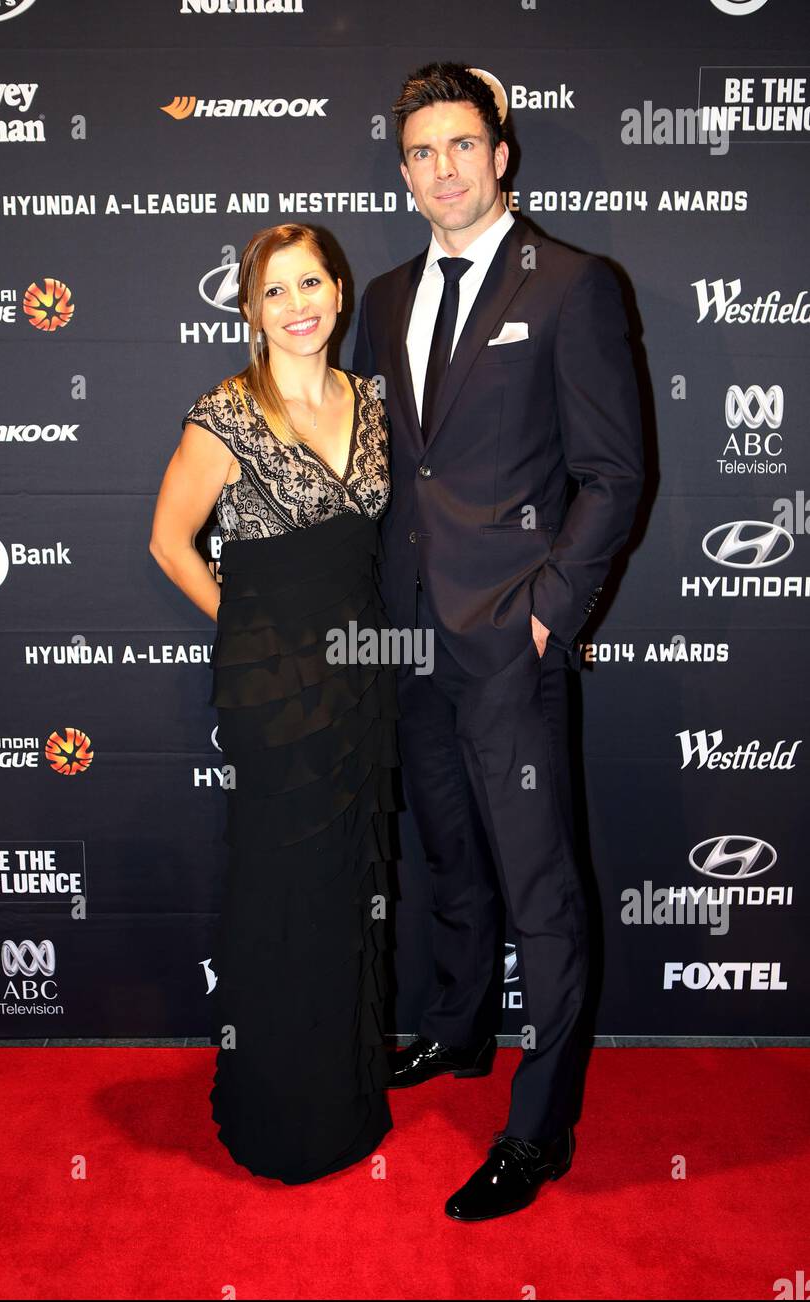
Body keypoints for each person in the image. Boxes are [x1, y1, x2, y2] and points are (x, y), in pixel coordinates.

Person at [353, 62, 645, 1220]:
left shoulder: (572, 283)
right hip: (409, 635)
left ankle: (539, 1128)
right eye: (421, 152)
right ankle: (457, 1032)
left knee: (539, 887)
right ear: (405, 168)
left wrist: (548, 610)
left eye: (461, 146)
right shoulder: (380, 297)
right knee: (451, 858)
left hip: (511, 636)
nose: (442, 170)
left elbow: (614, 475)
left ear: (502, 154)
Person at [150, 223, 398, 1184]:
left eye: (310, 283)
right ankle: (277, 1113)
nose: (295, 305)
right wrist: (253, 630)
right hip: (275, 685)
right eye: (273, 291)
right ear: (249, 309)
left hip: (363, 673)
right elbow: (171, 543)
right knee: (280, 885)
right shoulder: (226, 412)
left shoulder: (372, 406)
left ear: (338, 293)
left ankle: (344, 1095)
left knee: (348, 882)